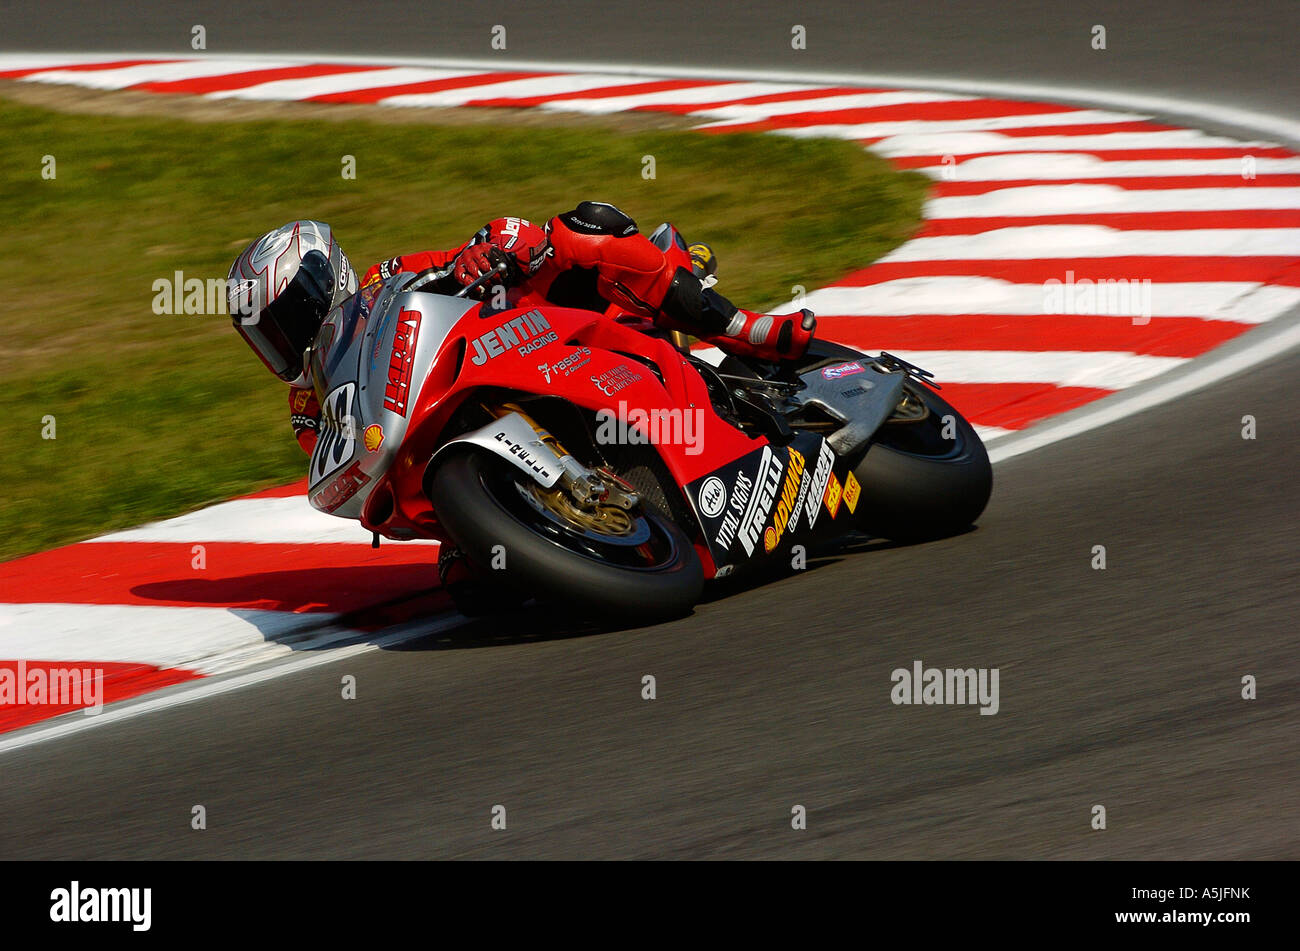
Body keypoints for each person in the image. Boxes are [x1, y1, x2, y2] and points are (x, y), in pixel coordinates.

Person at [228, 203, 816, 453]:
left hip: (527, 339)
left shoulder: (385, 281)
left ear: (325, 277)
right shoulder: (311, 405)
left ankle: (745, 329)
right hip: (456, 427)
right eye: (267, 335)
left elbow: (501, 233)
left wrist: (482, 256)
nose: (284, 339)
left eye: (287, 315)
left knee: (580, 231)